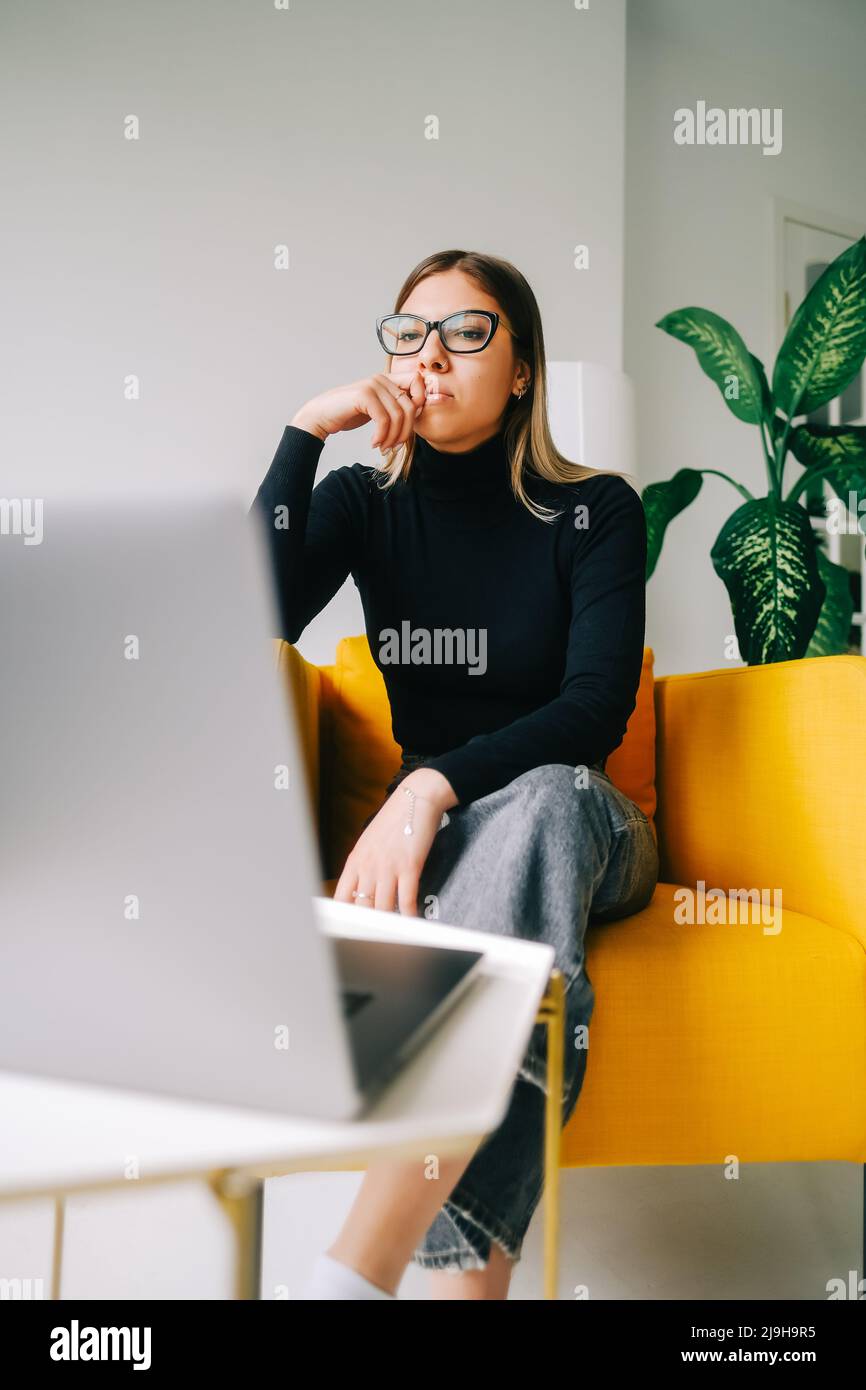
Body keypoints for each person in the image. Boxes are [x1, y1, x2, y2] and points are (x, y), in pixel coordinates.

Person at [252, 249, 659, 1300]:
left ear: (520, 368)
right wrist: (306, 427)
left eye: (466, 332)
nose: (430, 355)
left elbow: (591, 714)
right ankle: (465, 1288)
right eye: (408, 333)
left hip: (586, 820)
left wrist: (424, 788)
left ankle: (360, 1261)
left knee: (543, 800)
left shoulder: (596, 510)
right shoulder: (364, 503)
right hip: (463, 848)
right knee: (514, 931)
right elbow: (249, 615)